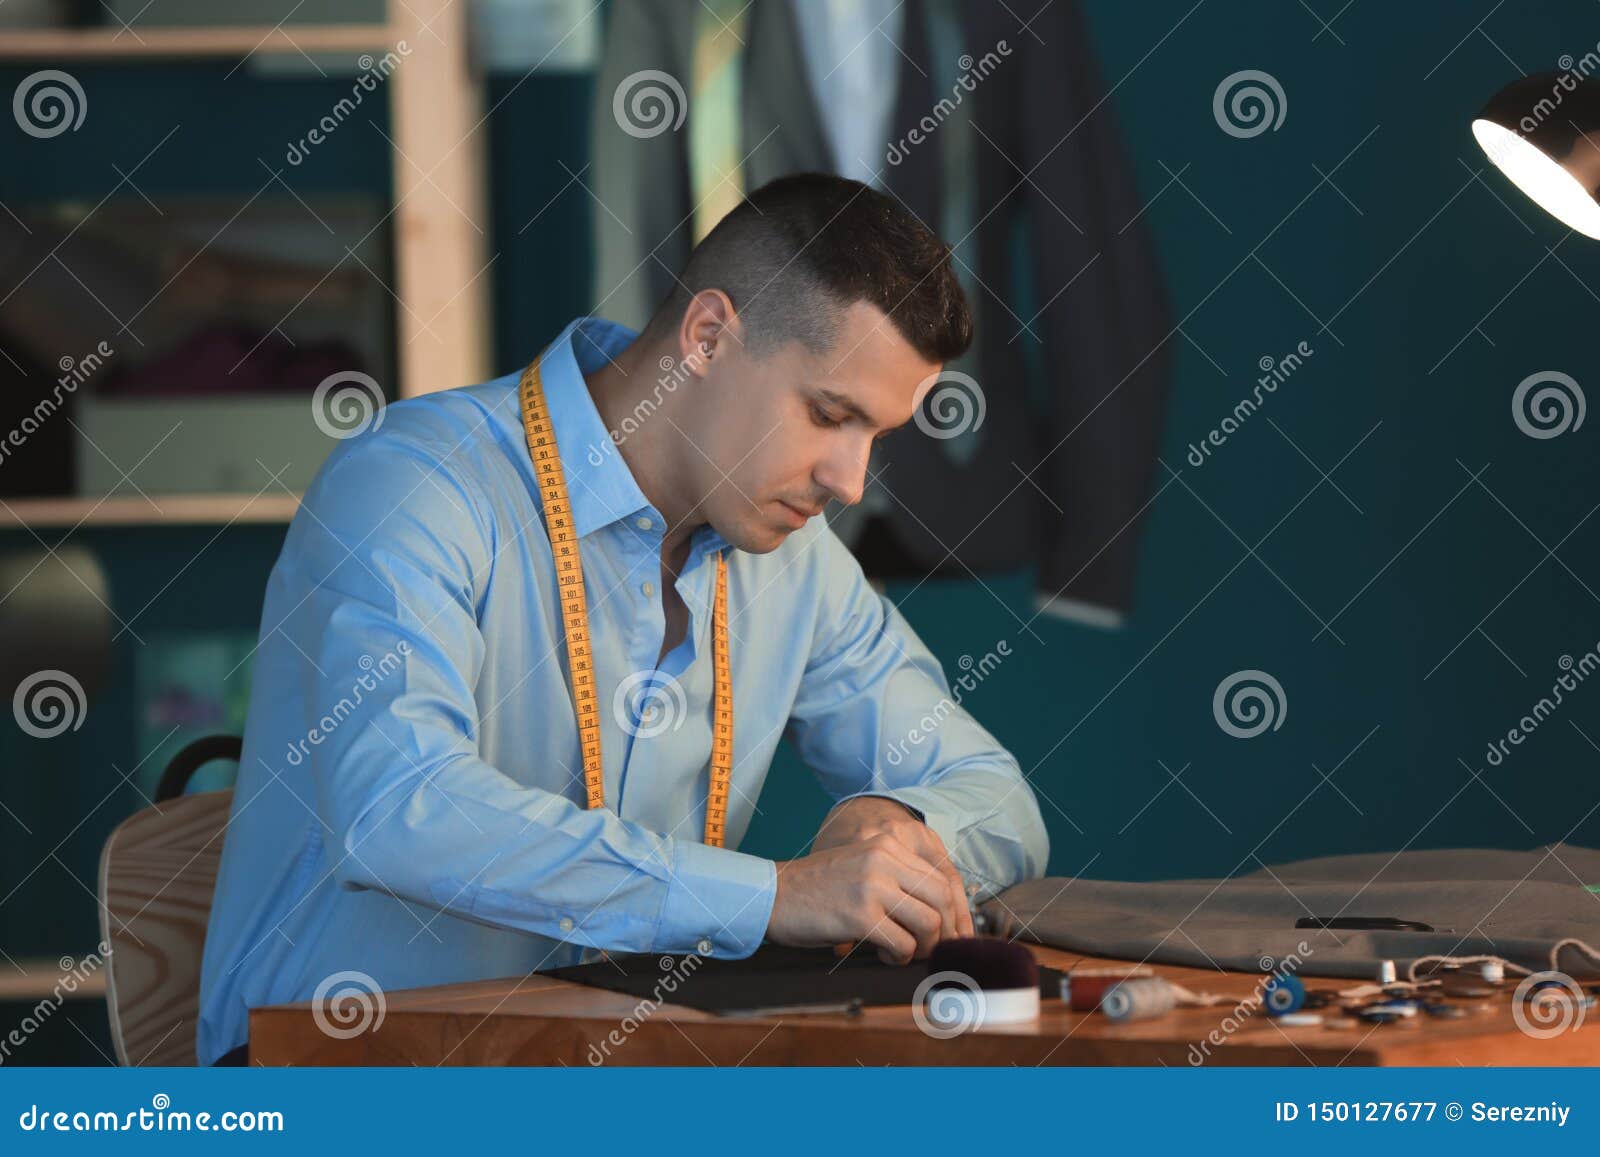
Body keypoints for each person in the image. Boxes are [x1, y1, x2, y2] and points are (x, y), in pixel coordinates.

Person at [197, 172, 1049, 1066]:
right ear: (708, 336)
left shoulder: (795, 564)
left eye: (876, 435)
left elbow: (996, 794)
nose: (850, 480)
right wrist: (773, 897)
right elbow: (401, 810)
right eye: (829, 414)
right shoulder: (415, 484)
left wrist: (896, 823)